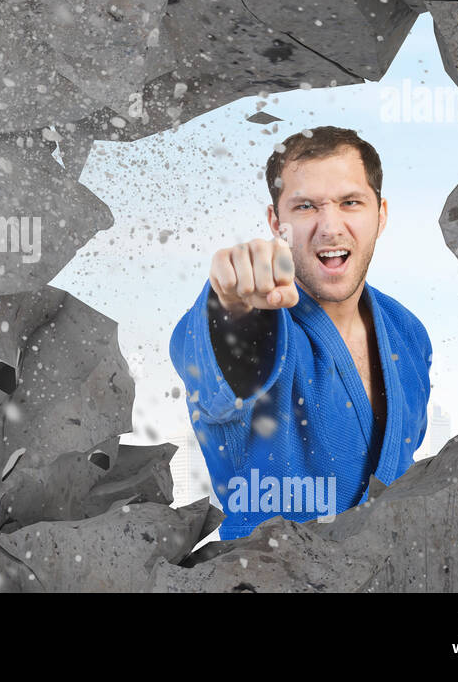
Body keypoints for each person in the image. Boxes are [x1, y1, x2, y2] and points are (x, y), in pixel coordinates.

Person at [169, 126, 432, 540]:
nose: (330, 227)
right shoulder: (259, 318)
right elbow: (213, 366)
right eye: (306, 206)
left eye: (350, 202)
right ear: (277, 222)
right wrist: (232, 308)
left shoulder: (409, 333)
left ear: (380, 214)